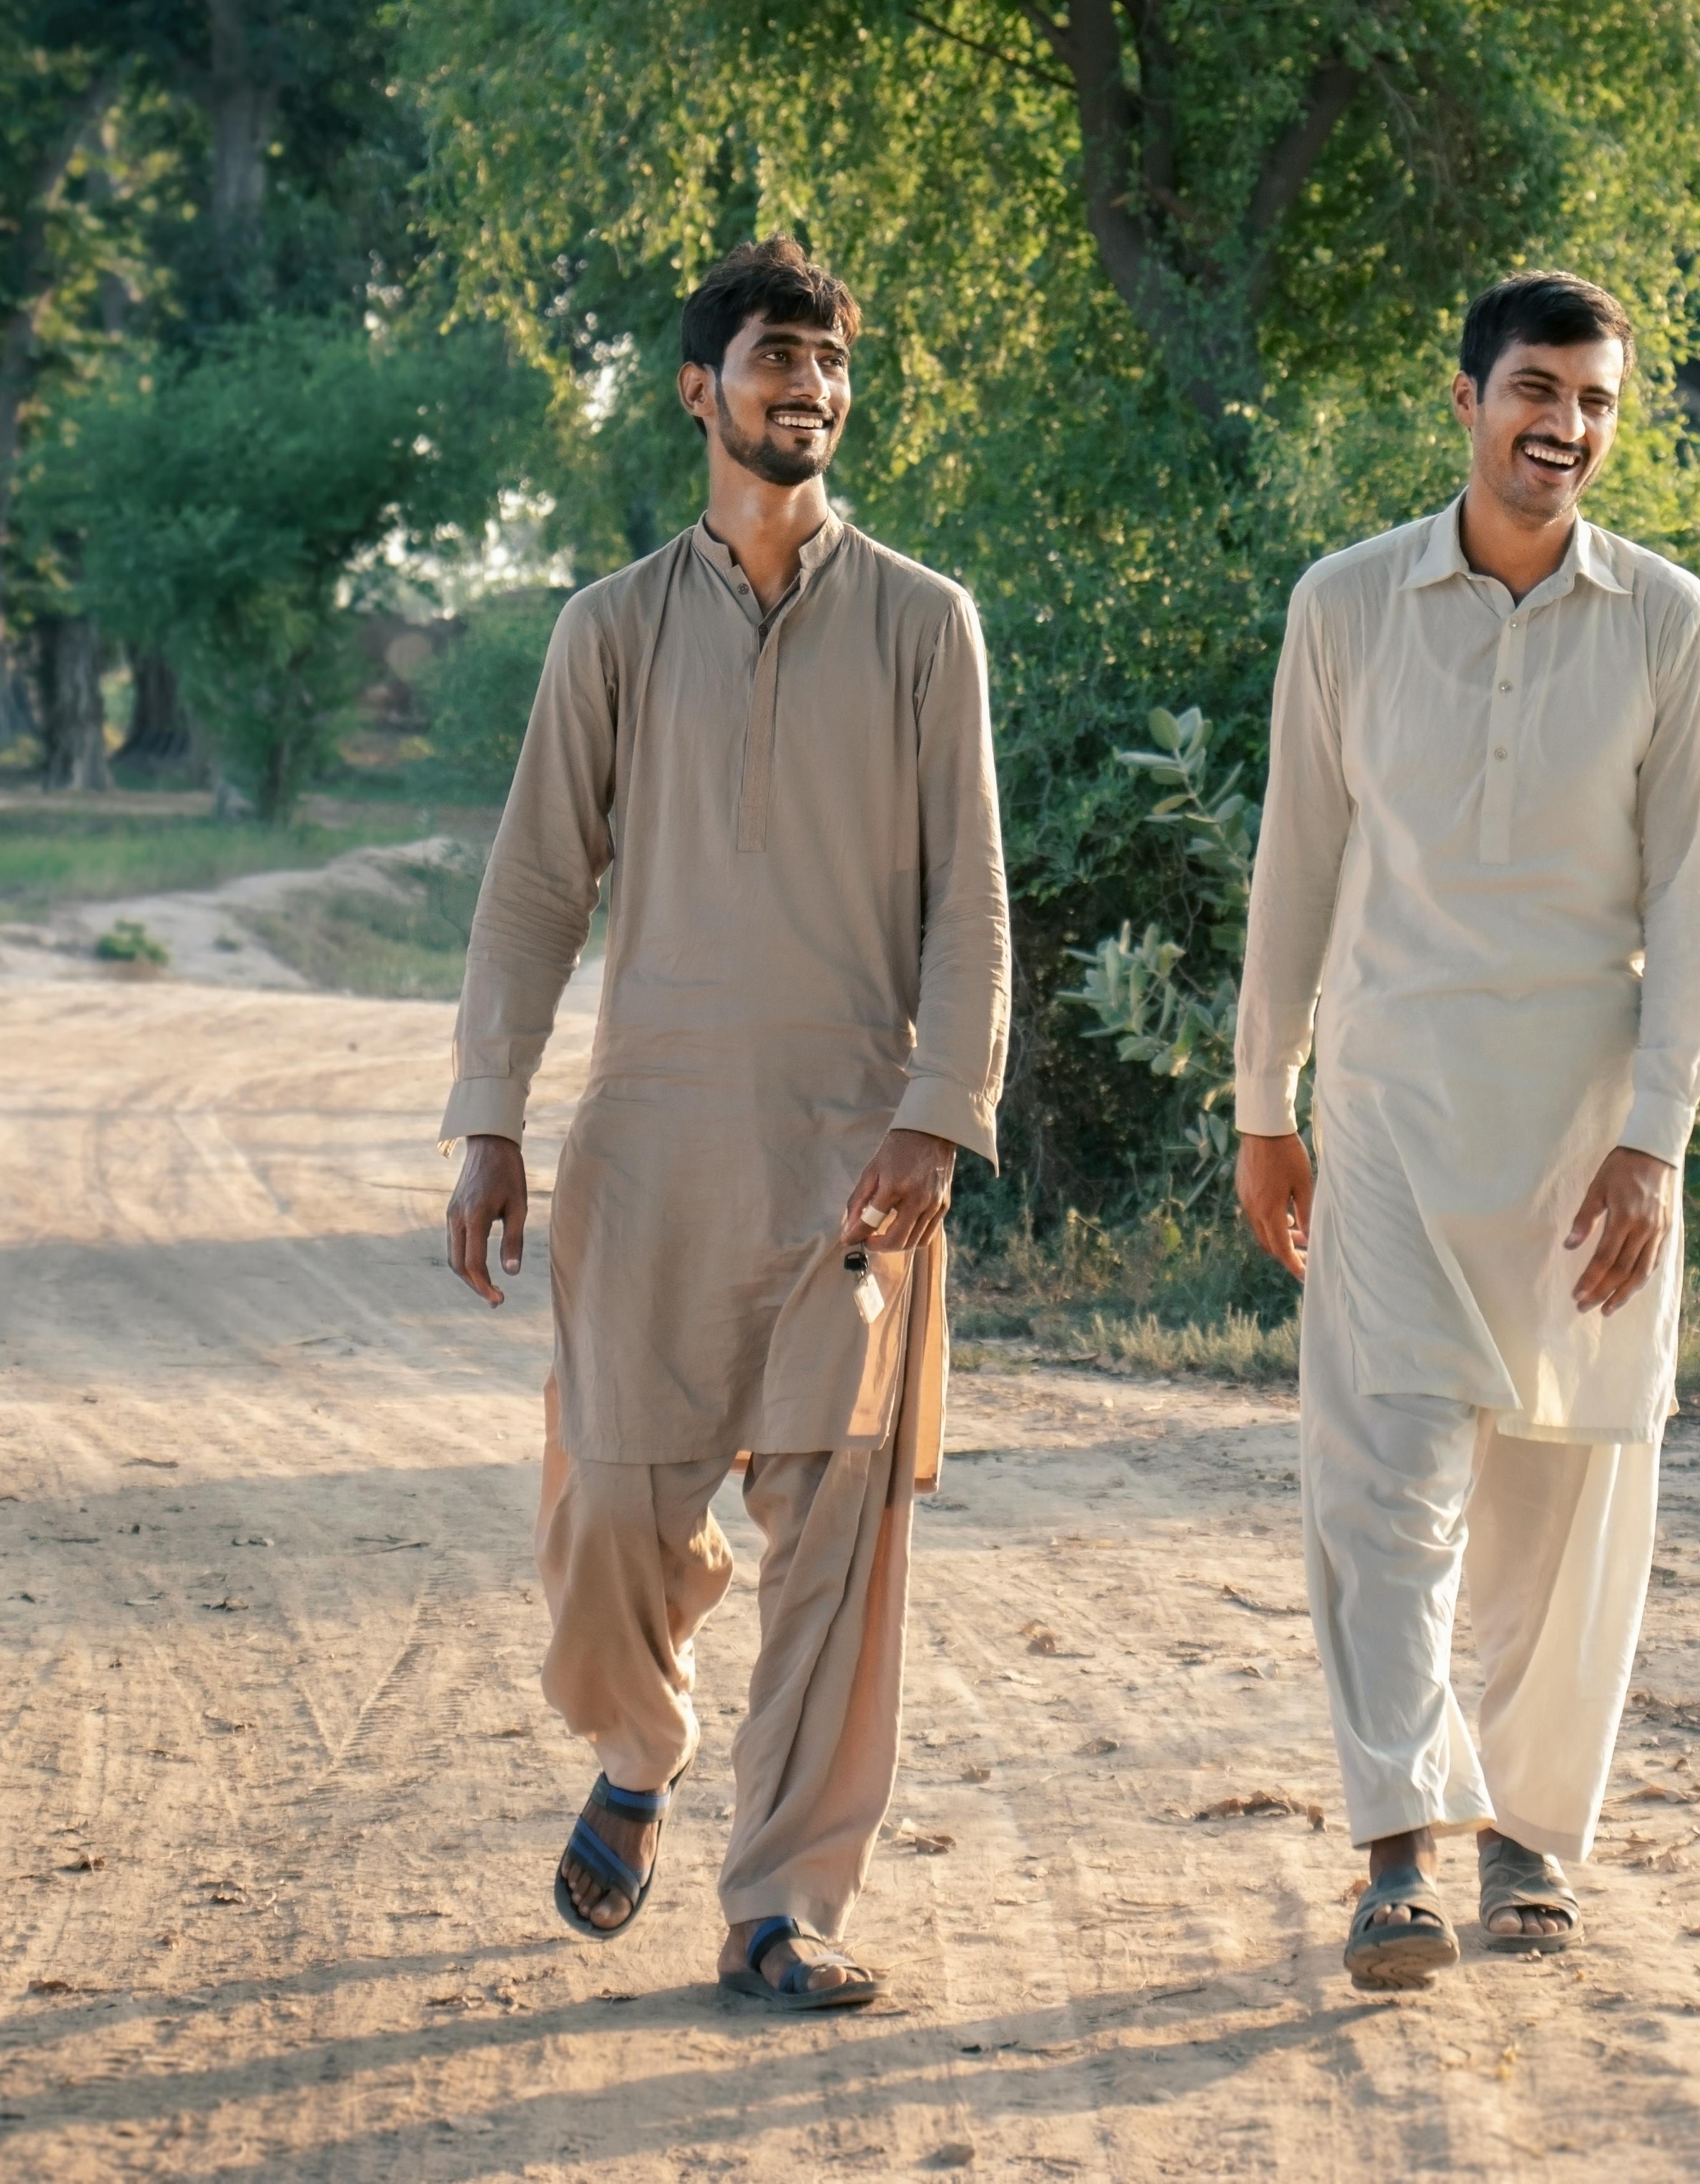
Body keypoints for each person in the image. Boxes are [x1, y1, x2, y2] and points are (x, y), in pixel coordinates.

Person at [441, 237, 1008, 2012]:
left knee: (836, 1542)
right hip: (650, 1152)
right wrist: (490, 1116)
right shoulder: (611, 629)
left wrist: (941, 1111)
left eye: (832, 364)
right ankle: (640, 1739)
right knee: (613, 1514)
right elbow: (538, 883)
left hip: (860, 1166)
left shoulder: (925, 624)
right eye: (777, 358)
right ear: (701, 388)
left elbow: (973, 903)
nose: (810, 390)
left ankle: (782, 1905)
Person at [1231, 271, 1700, 1991]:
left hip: (1585, 1138)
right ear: (1464, 399)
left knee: (1568, 1501)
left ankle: (1529, 1839)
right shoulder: (1348, 605)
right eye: (1537, 390)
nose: (1566, 428)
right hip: (1386, 1121)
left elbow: (1690, 898)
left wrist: (1656, 1135)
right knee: (1381, 1493)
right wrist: (1262, 1100)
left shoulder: (1666, 621)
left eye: (1594, 401)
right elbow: (1294, 865)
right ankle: (1394, 1856)